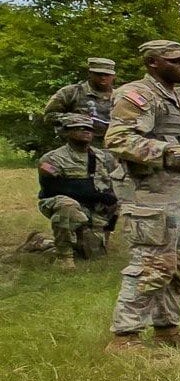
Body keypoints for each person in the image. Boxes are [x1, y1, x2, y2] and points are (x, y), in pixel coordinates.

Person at [103, 40, 180, 348]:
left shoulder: (178, 99)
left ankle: (167, 328)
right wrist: (165, 152)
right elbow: (118, 139)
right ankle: (126, 335)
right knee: (152, 261)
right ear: (153, 64)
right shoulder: (137, 95)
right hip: (151, 192)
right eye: (175, 61)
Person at [37, 113, 117, 268]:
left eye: (88, 128)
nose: (85, 131)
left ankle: (42, 242)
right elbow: (52, 188)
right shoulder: (51, 159)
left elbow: (113, 189)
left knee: (90, 254)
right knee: (67, 205)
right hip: (61, 203)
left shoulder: (104, 158)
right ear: (66, 132)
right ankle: (64, 256)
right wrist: (93, 195)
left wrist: (110, 208)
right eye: (78, 128)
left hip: (93, 208)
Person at [44, 56, 116, 144]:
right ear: (90, 74)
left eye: (107, 75)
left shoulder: (120, 97)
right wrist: (73, 119)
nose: (103, 78)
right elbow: (49, 116)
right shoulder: (70, 92)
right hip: (75, 147)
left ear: (113, 76)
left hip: (111, 147)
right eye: (99, 74)